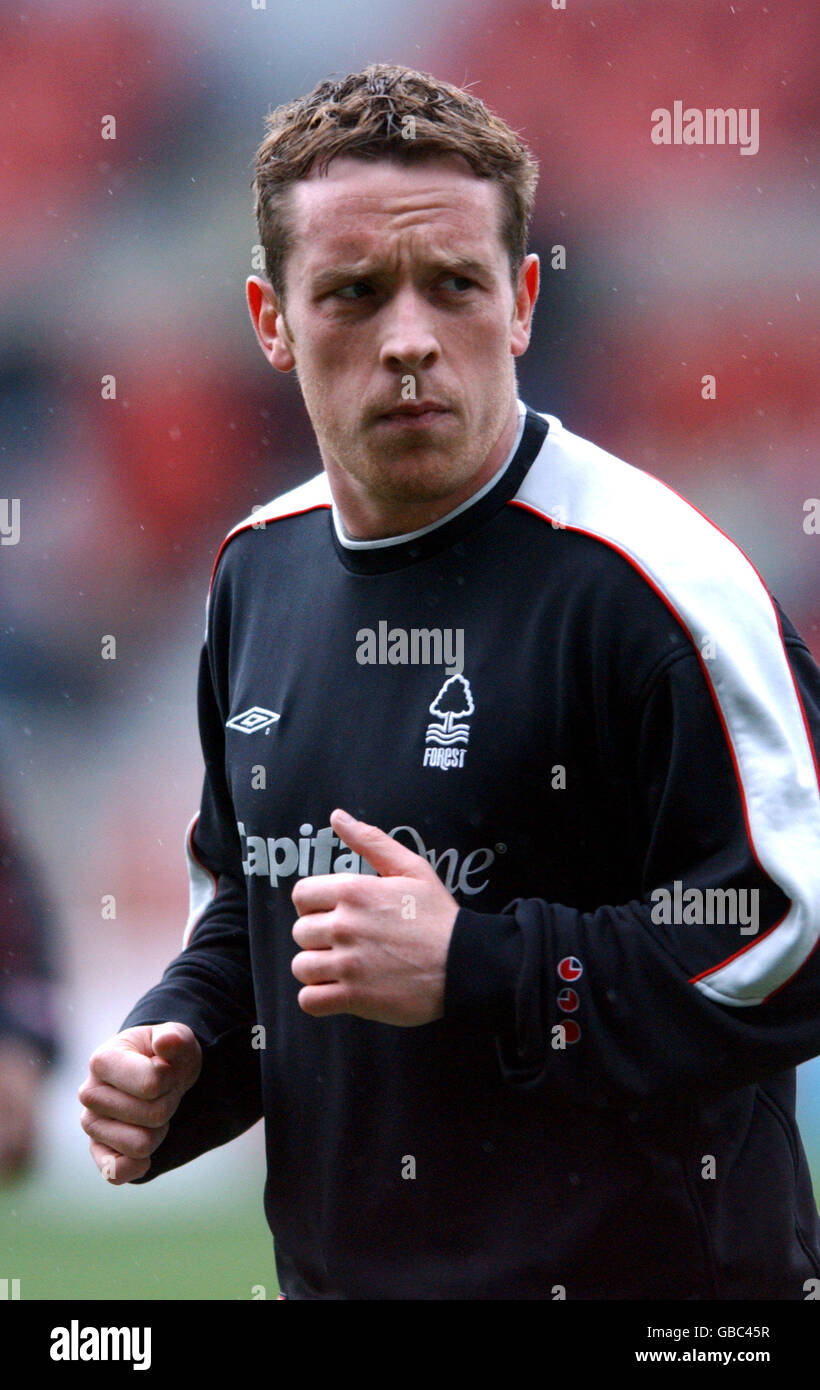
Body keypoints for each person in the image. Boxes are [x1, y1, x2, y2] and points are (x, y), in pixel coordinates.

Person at [79, 64, 820, 1300]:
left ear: (522, 301)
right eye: (355, 294)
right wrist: (183, 1049)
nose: (410, 337)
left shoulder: (656, 582)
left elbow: (791, 934)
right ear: (271, 319)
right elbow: (260, 916)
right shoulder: (253, 570)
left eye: (455, 286)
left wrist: (481, 969)